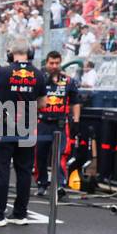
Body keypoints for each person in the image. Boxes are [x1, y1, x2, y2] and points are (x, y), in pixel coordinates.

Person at [0, 41, 44, 227]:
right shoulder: (39, 73)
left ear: (11, 54)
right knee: (24, 171)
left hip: (5, 123)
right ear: (30, 53)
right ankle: (19, 214)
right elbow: (43, 104)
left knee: (1, 169)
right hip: (28, 124)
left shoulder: (3, 71)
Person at [36, 50, 80, 197]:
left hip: (61, 124)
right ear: (46, 63)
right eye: (51, 63)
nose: (54, 66)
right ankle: (41, 183)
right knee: (40, 155)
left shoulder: (68, 81)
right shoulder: (39, 79)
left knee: (61, 154)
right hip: (41, 122)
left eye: (57, 63)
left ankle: (59, 185)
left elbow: (75, 102)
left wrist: (76, 120)